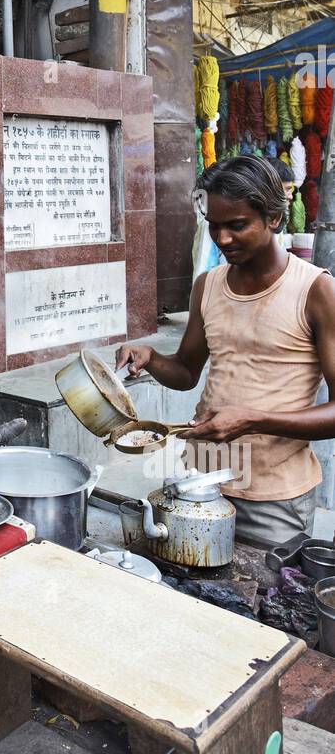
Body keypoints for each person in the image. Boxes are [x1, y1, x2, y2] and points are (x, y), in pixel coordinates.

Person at [116, 155, 335, 549]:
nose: (222, 239)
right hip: (200, 480)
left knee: (265, 604)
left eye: (236, 226)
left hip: (273, 498)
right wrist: (150, 357)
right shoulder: (208, 285)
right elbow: (185, 372)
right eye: (213, 225)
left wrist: (253, 420)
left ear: (274, 218)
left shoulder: (316, 291)